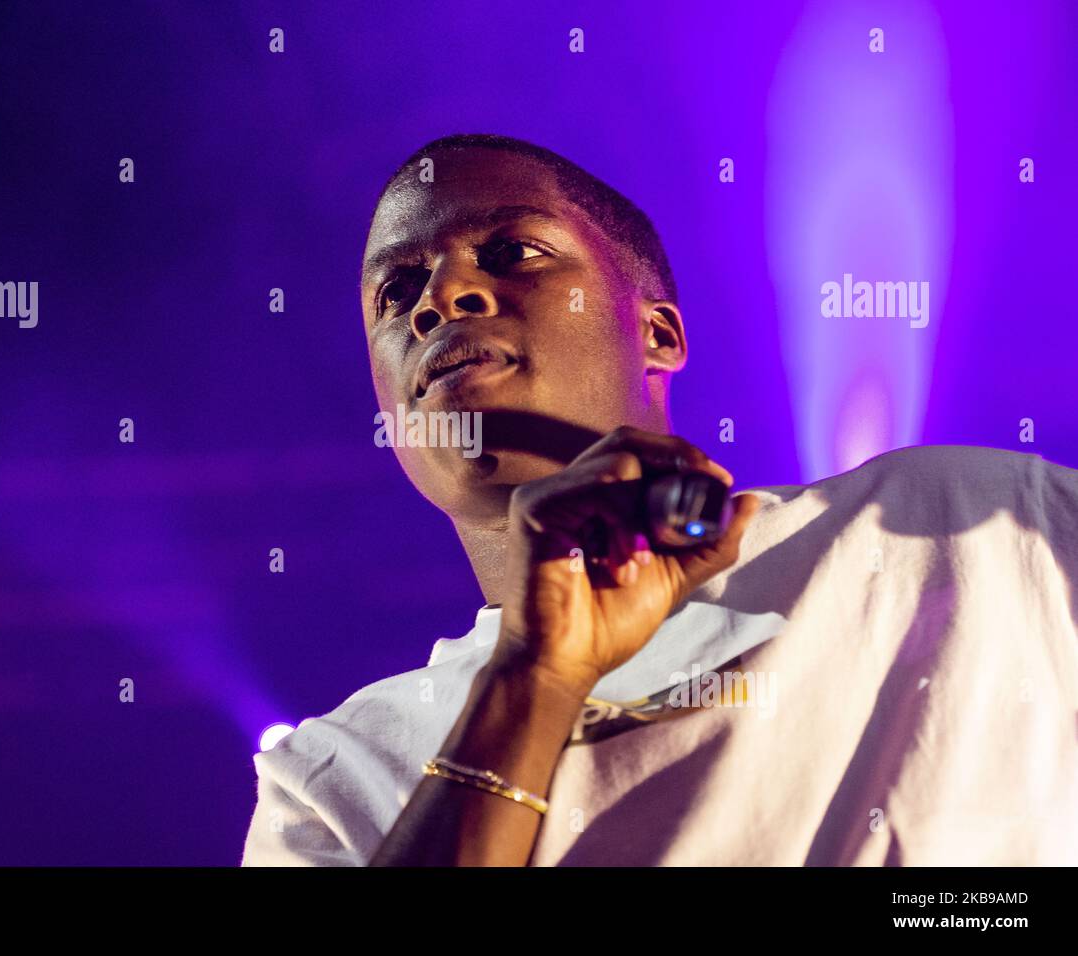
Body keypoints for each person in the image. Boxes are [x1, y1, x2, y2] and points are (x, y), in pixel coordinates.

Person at [240, 133, 1078, 866]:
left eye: (511, 252)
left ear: (658, 334)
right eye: (398, 292)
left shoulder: (965, 524)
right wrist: (535, 674)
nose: (439, 300)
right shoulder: (333, 774)